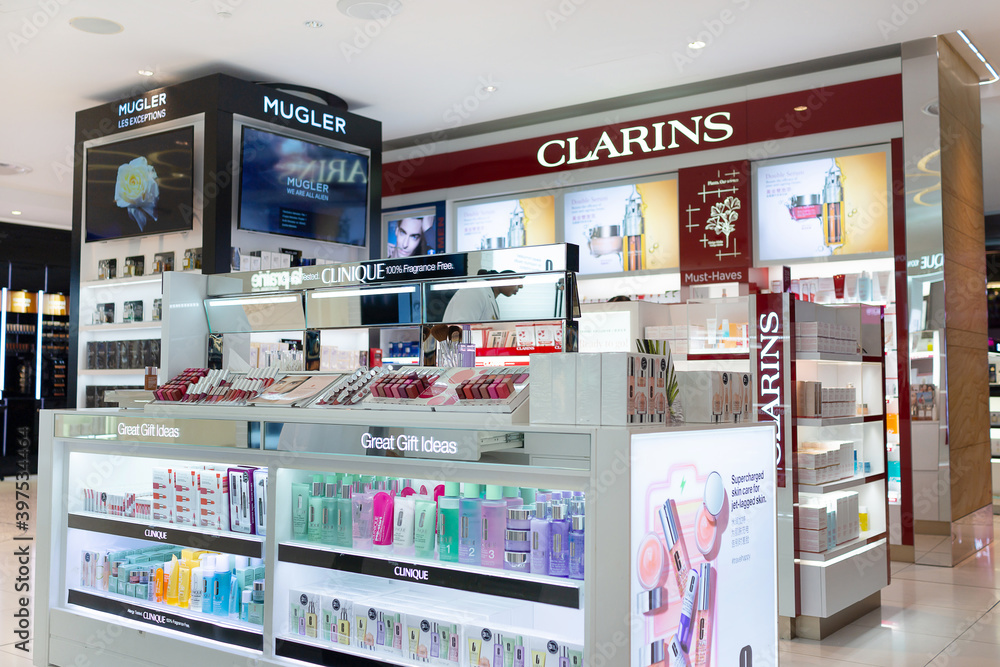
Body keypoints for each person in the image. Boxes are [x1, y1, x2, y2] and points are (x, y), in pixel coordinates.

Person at [441, 270, 522, 323]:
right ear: (501, 279)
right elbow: (461, 326)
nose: (521, 286)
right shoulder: (475, 290)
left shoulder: (488, 296)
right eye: (517, 281)